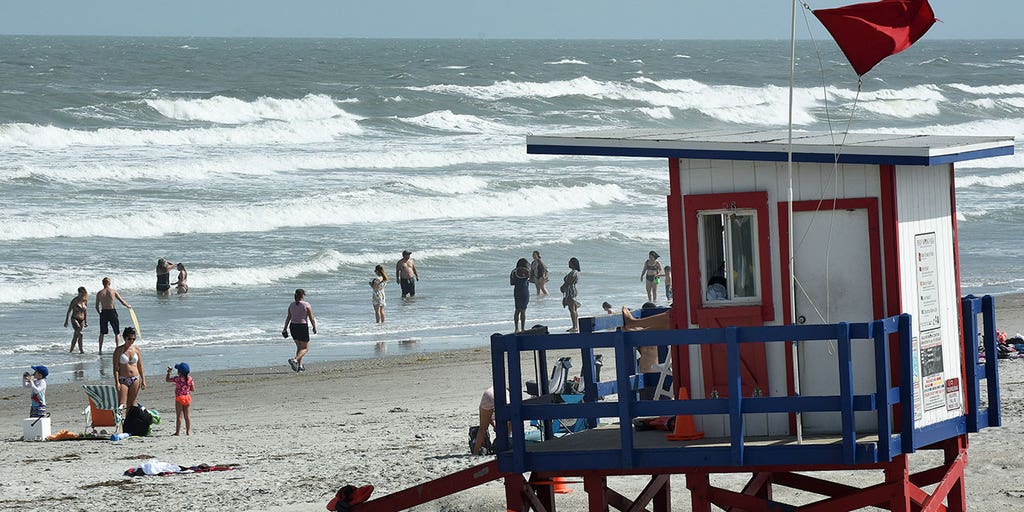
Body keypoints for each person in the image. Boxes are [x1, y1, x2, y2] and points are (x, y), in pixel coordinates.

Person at [622, 303, 671, 373]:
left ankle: (632, 322)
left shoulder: (651, 332)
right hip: (648, 372)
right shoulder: (646, 331)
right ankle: (632, 322)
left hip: (652, 371)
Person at [283, 288, 317, 372]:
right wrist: (314, 327)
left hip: (293, 327)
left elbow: (288, 317)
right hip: (302, 326)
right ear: (303, 295)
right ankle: (294, 360)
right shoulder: (306, 305)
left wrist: (285, 329)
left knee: (299, 347)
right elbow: (311, 317)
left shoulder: (291, 305)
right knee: (305, 348)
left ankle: (300, 366)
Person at [95, 277, 131, 355]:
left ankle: (100, 350)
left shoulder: (100, 293)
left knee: (102, 333)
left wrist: (100, 313)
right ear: (109, 283)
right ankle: (117, 348)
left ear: (102, 283)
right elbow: (122, 301)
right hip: (112, 312)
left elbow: (97, 306)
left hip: (104, 312)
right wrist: (128, 306)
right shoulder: (113, 291)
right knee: (116, 332)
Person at [112, 327, 145, 408]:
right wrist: (117, 382)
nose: (131, 341)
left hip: (135, 379)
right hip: (123, 379)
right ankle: (119, 420)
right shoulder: (119, 350)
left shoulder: (136, 349)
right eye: (129, 339)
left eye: (134, 339)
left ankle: (128, 420)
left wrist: (143, 380)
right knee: (121, 404)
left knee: (131, 404)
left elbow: (140, 366)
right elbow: (116, 368)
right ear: (125, 338)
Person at [473, 385, 510, 455]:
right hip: (497, 397)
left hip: (487, 396)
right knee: (510, 423)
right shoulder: (508, 394)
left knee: (482, 428)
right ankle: (505, 442)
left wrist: (494, 425)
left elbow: (487, 416)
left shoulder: (496, 387)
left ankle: (475, 452)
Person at [165, 362, 195, 436]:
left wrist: (169, 372)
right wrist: (187, 388)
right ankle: (188, 431)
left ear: (179, 372)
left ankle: (177, 432)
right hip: (187, 398)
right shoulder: (190, 379)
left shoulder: (177, 379)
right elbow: (193, 389)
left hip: (179, 398)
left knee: (179, 416)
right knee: (187, 416)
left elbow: (167, 380)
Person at [64, 286, 89, 353]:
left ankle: (74, 350)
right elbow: (69, 311)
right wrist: (66, 321)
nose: (81, 294)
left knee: (76, 335)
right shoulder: (75, 300)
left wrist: (86, 321)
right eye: (80, 293)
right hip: (74, 318)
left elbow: (85, 312)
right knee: (79, 333)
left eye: (83, 293)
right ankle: (80, 350)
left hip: (82, 320)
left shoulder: (85, 301)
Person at [560, 257, 581, 333]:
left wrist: (563, 287)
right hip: (573, 290)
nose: (568, 263)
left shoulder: (573, 272)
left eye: (570, 262)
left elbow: (569, 282)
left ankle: (575, 326)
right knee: (574, 309)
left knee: (572, 309)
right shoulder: (576, 272)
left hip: (570, 291)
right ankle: (575, 326)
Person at [510, 258, 531, 332]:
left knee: (517, 310)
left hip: (517, 291)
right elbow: (531, 279)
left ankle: (516, 328)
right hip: (524, 290)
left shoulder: (513, 271)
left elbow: (511, 283)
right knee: (523, 310)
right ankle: (522, 328)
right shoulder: (526, 270)